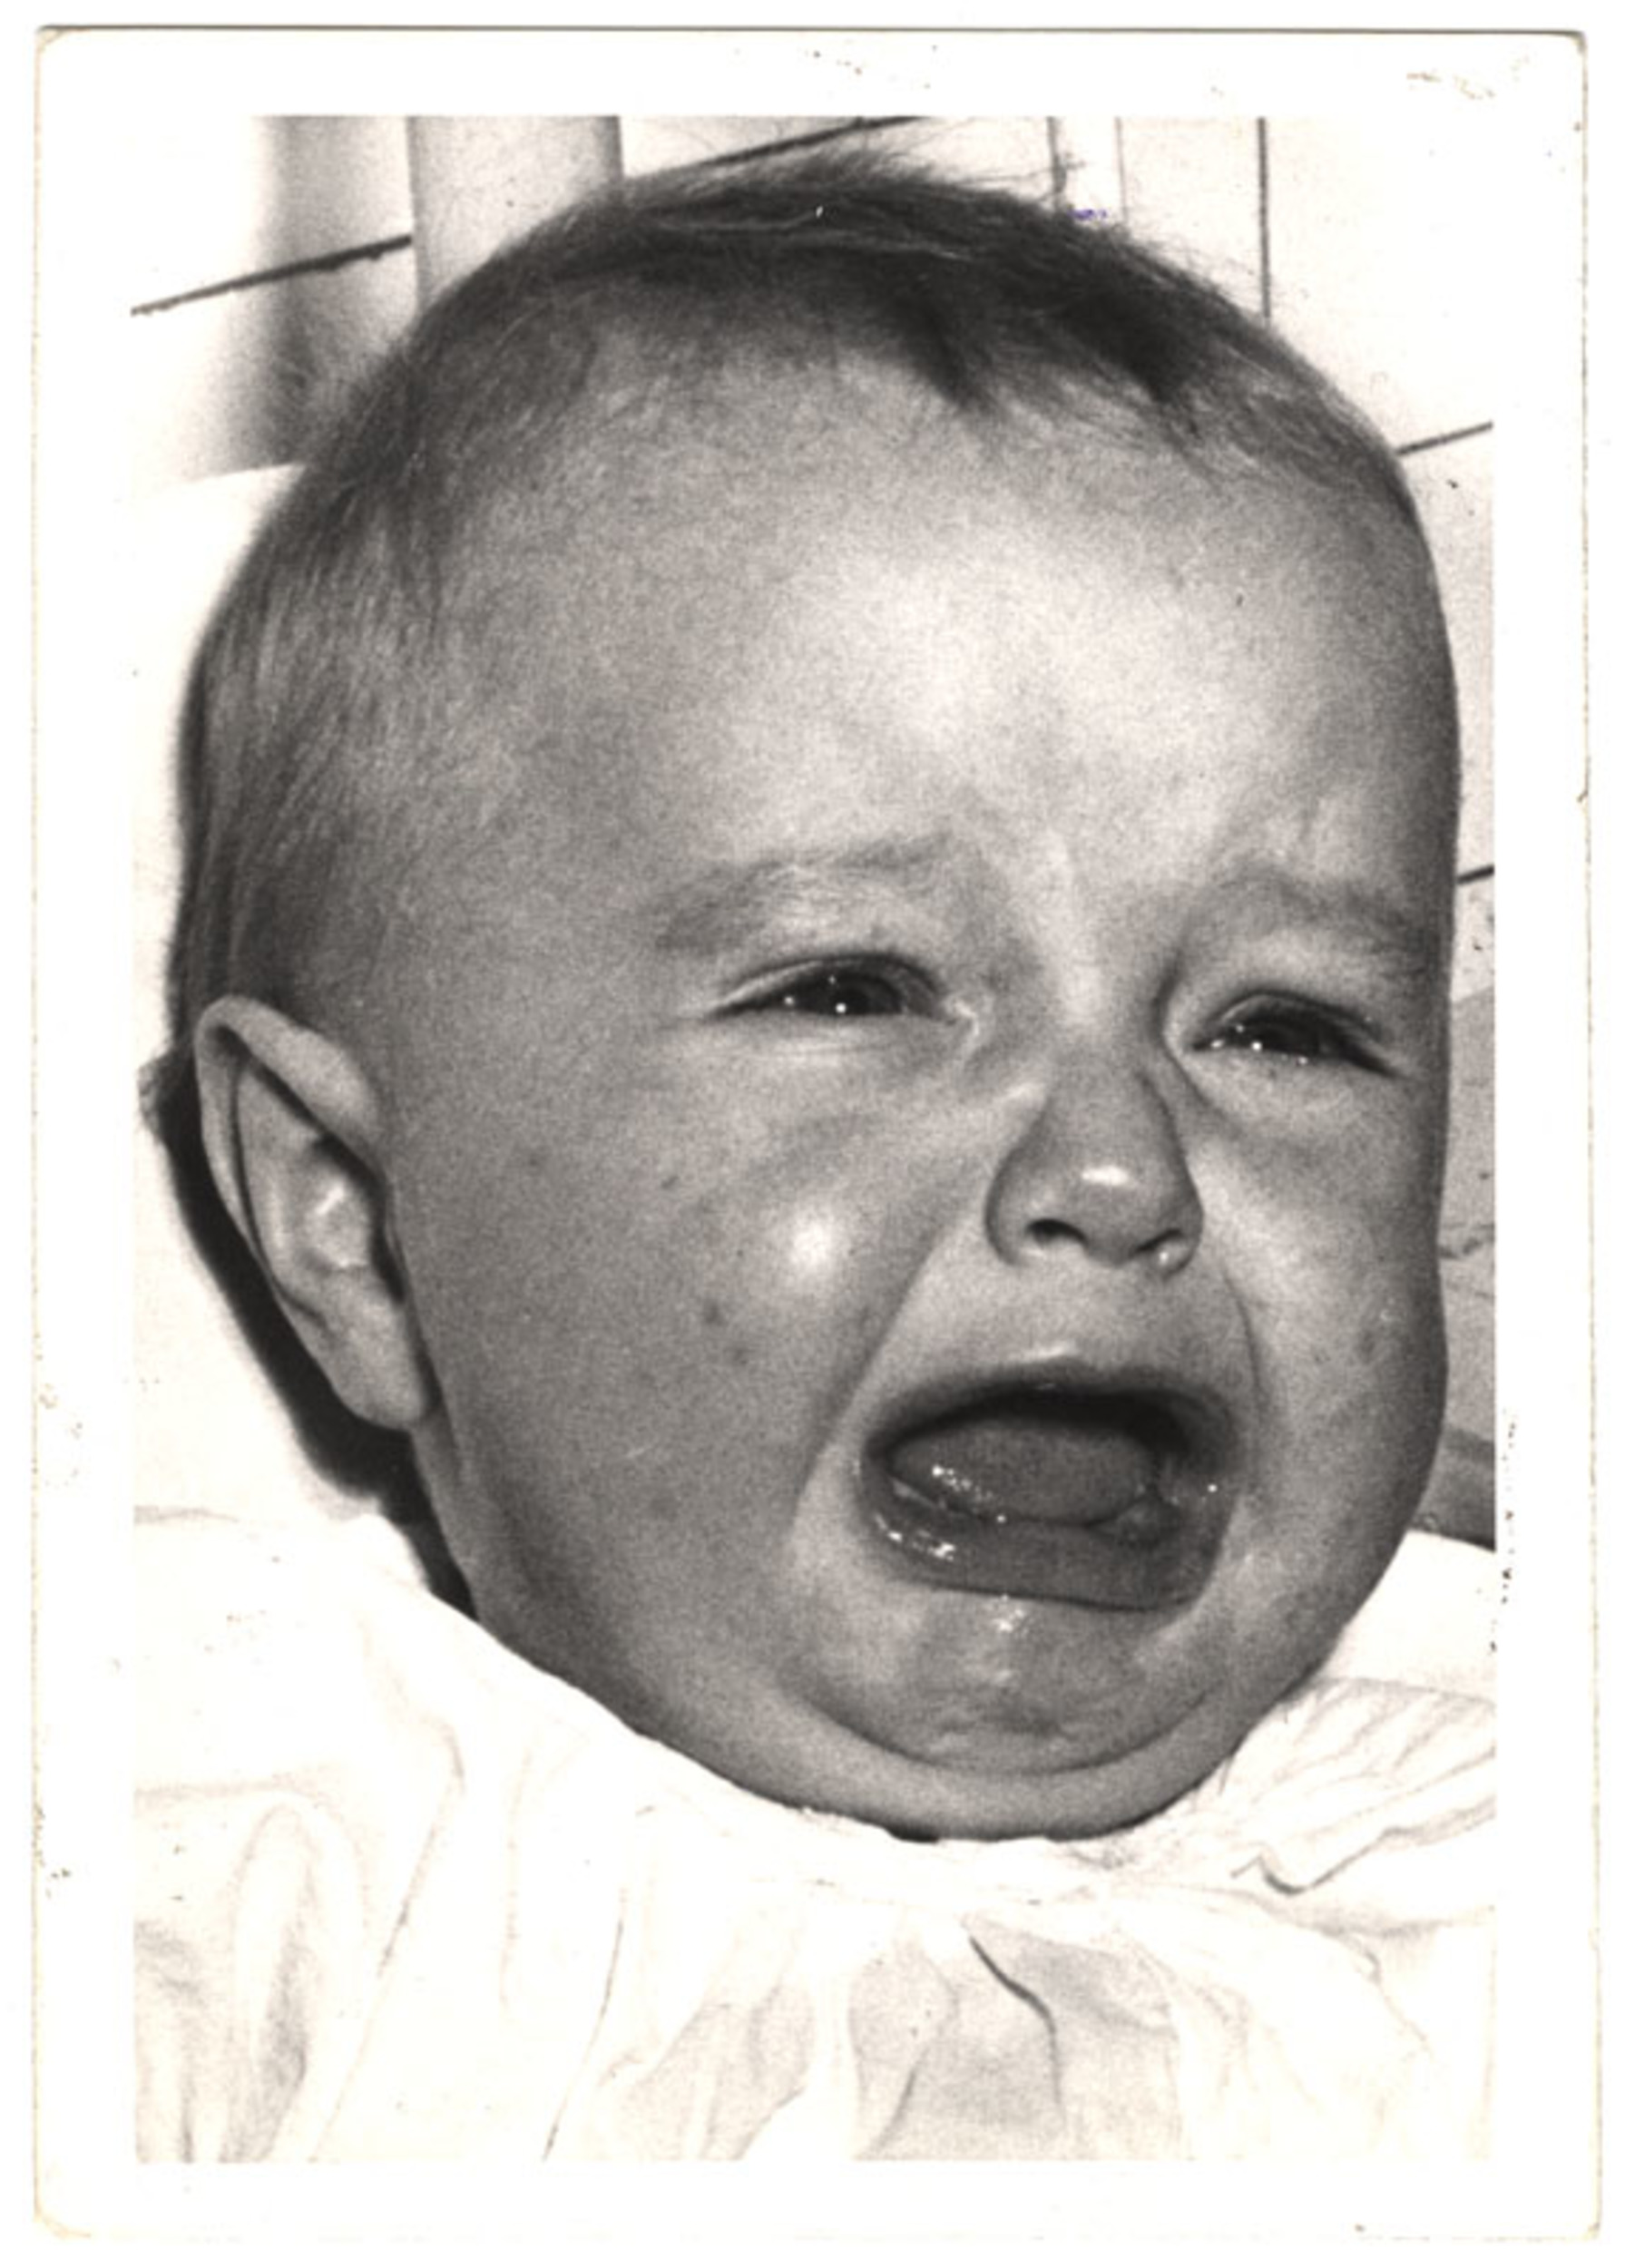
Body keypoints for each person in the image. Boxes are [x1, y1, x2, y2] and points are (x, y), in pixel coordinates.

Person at [135, 147, 1493, 2161]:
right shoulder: (223, 1843)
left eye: (1281, 1026)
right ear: (355, 1222)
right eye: (855, 988)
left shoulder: (1512, 1821)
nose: (1120, 1167)